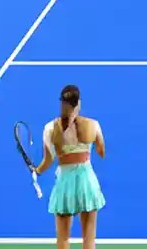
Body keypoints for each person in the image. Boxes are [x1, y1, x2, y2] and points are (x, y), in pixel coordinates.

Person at [35, 85, 107, 249]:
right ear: (78, 103)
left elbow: (48, 161)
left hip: (65, 184)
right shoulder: (93, 125)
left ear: (61, 103)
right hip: (87, 183)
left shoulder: (50, 128)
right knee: (89, 240)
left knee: (63, 239)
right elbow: (101, 152)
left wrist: (37, 170)